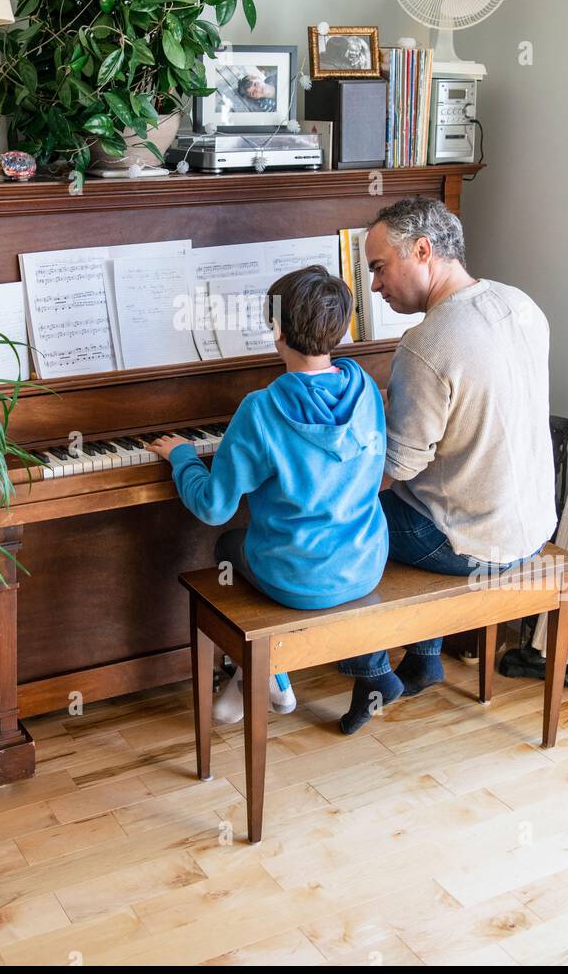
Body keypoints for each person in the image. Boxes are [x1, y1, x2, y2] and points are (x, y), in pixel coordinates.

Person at [338, 196, 558, 735]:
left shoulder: (426, 343)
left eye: (378, 267)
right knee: (433, 492)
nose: (374, 286)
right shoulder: (521, 303)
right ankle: (425, 659)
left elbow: (398, 468)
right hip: (531, 525)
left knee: (340, 523)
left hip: (473, 544)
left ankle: (372, 671)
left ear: (422, 250)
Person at [147, 265, 388, 724]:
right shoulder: (367, 389)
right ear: (342, 328)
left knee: (224, 546)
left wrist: (183, 458)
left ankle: (265, 668)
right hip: (364, 564)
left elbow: (214, 507)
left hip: (296, 580)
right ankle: (253, 673)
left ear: (274, 329)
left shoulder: (260, 408)